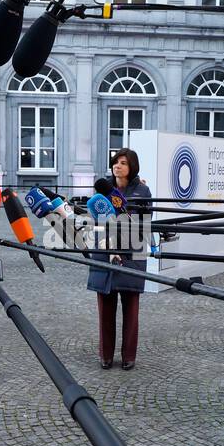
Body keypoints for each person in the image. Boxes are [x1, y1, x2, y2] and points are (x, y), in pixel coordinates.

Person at [87, 148, 152, 370]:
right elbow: (94, 219)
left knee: (131, 309)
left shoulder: (142, 191)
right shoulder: (102, 189)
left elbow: (145, 224)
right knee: (105, 308)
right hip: (105, 251)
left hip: (133, 252)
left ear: (131, 166)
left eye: (123, 162)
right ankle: (105, 355)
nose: (118, 166)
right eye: (115, 162)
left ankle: (128, 356)